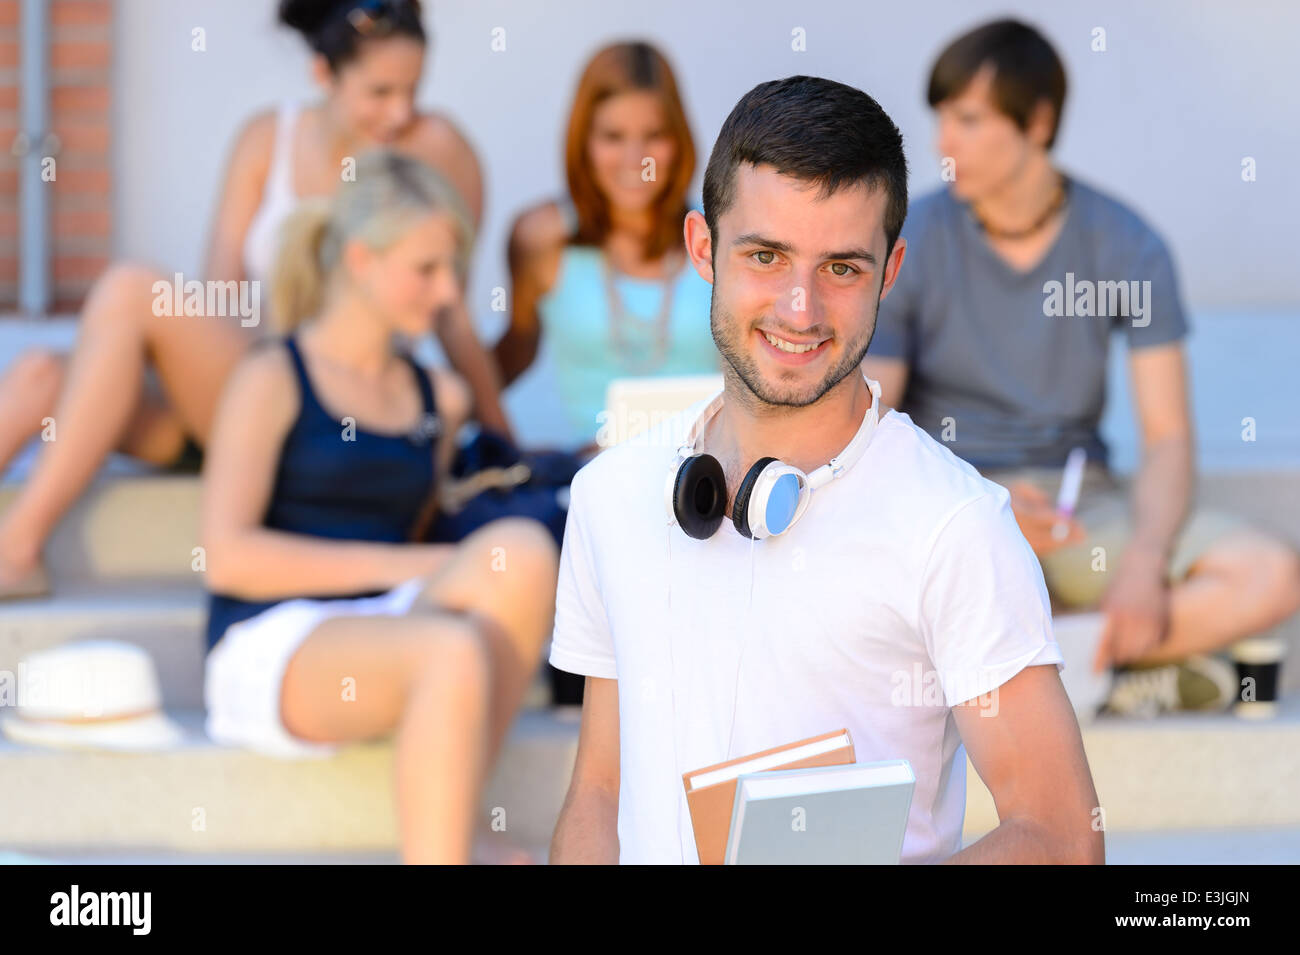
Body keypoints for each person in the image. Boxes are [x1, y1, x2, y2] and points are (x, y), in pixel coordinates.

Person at [548, 76, 1102, 865]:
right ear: (703, 248)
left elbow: (1062, 838)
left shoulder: (953, 524)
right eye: (766, 256)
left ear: (891, 269)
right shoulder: (610, 495)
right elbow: (598, 794)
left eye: (842, 267)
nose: (800, 308)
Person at [0, 0, 510, 599]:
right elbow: (221, 295)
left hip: (332, 413)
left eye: (412, 90)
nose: (398, 112)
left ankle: (15, 547)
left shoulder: (437, 149)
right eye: (379, 91)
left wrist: (505, 440)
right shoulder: (270, 138)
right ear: (324, 73)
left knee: (129, 290)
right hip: (248, 384)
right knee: (40, 373)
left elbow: (449, 314)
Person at [862, 19, 1300, 716]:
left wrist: (1143, 563)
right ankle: (1117, 669)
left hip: (1079, 513)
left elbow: (1167, 437)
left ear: (1036, 122)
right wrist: (982, 499)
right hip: (954, 509)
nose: (945, 144)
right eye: (942, 120)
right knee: (878, 610)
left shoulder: (1125, 242)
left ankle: (1060, 662)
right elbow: (871, 422)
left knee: (1270, 575)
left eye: (969, 120)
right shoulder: (912, 237)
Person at [201, 149, 557, 865]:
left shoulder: (440, 398)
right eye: (427, 269)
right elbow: (226, 556)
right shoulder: (272, 376)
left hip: (387, 623)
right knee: (449, 649)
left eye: (452, 270)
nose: (445, 292)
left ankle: (450, 820)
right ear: (361, 259)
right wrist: (414, 563)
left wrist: (430, 565)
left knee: (524, 551)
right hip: (274, 636)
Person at [493, 41, 719, 455]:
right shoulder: (539, 240)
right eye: (613, 136)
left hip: (709, 480)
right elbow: (511, 355)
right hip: (585, 481)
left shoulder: (720, 239)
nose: (635, 158)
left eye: (654, 135)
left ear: (679, 139)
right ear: (583, 142)